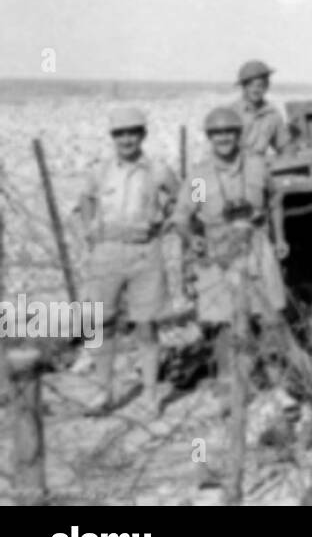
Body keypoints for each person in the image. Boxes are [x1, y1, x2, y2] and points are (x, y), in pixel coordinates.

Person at [173, 107, 291, 397]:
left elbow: (275, 201)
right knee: (225, 321)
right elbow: (185, 215)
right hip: (219, 247)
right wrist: (193, 240)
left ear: (239, 135)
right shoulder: (200, 177)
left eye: (229, 132)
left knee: (269, 314)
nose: (223, 139)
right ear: (210, 138)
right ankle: (230, 381)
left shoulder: (258, 166)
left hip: (257, 242)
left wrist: (280, 238)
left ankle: (275, 377)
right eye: (217, 134)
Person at [73, 107, 179, 415]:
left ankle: (149, 394)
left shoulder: (158, 169)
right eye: (120, 133)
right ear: (113, 137)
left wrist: (171, 220)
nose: (127, 139)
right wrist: (90, 231)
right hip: (106, 251)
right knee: (99, 323)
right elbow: (86, 198)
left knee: (146, 324)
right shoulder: (99, 170)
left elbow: (189, 194)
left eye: (133, 132)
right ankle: (102, 392)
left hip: (144, 251)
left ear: (143, 135)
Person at [229, 59, 290, 158]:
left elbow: (283, 146)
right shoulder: (232, 113)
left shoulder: (272, 115)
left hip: (259, 167)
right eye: (250, 85)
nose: (255, 90)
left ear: (267, 86)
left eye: (260, 85)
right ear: (243, 87)